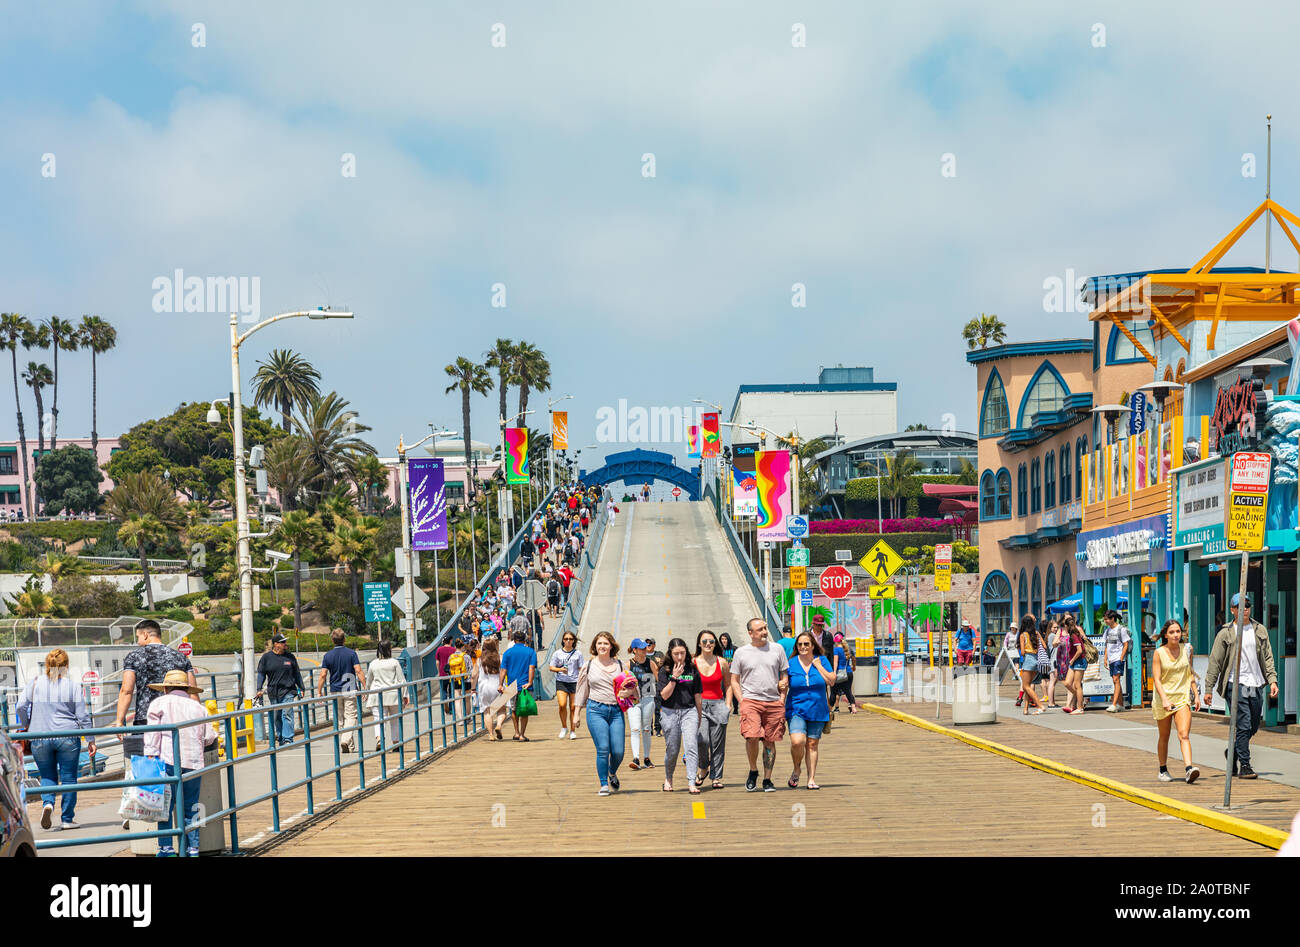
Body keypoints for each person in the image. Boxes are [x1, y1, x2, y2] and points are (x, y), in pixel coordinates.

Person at [1204, 592, 1279, 780]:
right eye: (1239, 606)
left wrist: (1273, 680)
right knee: (1244, 724)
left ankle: (1234, 752)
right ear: (1232, 610)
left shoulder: (1259, 630)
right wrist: (1208, 689)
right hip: (1234, 684)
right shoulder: (1225, 633)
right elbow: (1215, 662)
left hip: (1256, 684)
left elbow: (1268, 657)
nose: (1243, 609)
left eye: (1247, 605)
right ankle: (1245, 764)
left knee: (1253, 725)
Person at [17, 648, 92, 830]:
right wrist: (91, 739)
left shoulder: (35, 683)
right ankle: (67, 819)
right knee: (68, 778)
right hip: (67, 736)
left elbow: (20, 706)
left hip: (39, 736)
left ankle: (48, 804)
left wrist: (28, 725)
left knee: (47, 775)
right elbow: (82, 716)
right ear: (66, 666)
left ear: (47, 664)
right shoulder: (73, 686)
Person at [144, 670, 217, 856]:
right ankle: (192, 848)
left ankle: (166, 848)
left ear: (166, 687)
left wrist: (150, 755)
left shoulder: (158, 703)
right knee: (191, 806)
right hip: (193, 761)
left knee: (164, 806)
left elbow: (153, 735)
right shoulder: (198, 707)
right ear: (186, 688)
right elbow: (209, 737)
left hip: (167, 760)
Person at [114, 620, 198, 763]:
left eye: (138, 637)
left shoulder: (134, 657)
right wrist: (197, 719)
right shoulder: (180, 657)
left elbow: (126, 690)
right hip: (177, 717)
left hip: (145, 719)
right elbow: (193, 691)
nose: (138, 641)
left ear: (145, 635)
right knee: (176, 762)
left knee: (148, 766)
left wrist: (119, 720)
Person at [729, 617, 790, 793]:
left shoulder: (777, 649)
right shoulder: (741, 652)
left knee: (770, 741)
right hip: (751, 701)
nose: (764, 632)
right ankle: (753, 770)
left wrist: (782, 699)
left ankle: (767, 779)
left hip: (773, 702)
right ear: (750, 633)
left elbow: (784, 675)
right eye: (760, 629)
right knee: (752, 736)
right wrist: (742, 701)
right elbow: (734, 680)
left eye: (765, 628)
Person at [573, 631, 637, 795]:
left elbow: (633, 687)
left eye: (605, 643)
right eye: (599, 643)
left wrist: (628, 693)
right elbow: (581, 690)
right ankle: (603, 784)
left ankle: (611, 771)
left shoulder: (621, 665)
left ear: (611, 646)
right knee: (603, 748)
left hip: (616, 711)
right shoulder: (589, 666)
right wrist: (576, 713)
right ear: (595, 645)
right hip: (595, 710)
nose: (602, 646)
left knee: (618, 752)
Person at [1152, 619, 1201, 784]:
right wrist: (1165, 699)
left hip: (1182, 698)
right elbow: (1157, 680)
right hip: (1163, 699)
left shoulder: (1187, 649)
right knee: (1164, 736)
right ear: (1165, 635)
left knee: (1184, 735)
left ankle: (1189, 769)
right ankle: (1163, 769)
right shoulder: (1159, 653)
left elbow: (1190, 673)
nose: (1175, 635)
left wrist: (1196, 694)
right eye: (1172, 632)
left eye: (1178, 632)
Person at [786, 630, 836, 790]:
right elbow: (784, 682)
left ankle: (811, 779)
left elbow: (832, 681)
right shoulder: (791, 662)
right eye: (800, 644)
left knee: (812, 744)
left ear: (813, 645)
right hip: (796, 709)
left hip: (817, 708)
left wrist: (818, 666)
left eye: (806, 644)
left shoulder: (821, 660)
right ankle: (796, 768)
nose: (803, 647)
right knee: (797, 741)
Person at [657, 637, 704, 794]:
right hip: (670, 712)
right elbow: (664, 695)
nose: (679, 657)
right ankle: (668, 778)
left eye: (682, 653)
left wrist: (699, 715)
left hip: (689, 711)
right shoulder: (665, 670)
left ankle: (691, 782)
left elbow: (698, 695)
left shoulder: (692, 669)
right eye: (676, 653)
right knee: (673, 749)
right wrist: (675, 677)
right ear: (670, 653)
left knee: (691, 745)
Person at [693, 630, 731, 789]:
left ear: (715, 643)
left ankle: (716, 777)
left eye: (711, 641)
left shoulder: (722, 662)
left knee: (717, 743)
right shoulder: (693, 662)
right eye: (704, 641)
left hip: (718, 704)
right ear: (699, 644)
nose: (708, 644)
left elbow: (728, 685)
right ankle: (703, 768)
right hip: (699, 705)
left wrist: (728, 705)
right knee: (702, 740)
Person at [318, 630, 366, 753]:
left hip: (335, 690)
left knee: (340, 718)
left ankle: (349, 747)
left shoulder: (327, 656)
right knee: (351, 716)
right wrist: (365, 687)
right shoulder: (351, 653)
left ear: (332, 640)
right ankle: (345, 740)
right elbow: (358, 670)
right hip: (349, 688)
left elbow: (323, 674)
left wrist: (319, 691)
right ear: (344, 639)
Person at [255, 633, 305, 745]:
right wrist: (259, 688)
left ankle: (288, 738)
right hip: (273, 692)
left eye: (285, 642)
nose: (285, 644)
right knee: (277, 716)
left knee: (287, 714)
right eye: (282, 642)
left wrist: (301, 687)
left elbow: (297, 673)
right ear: (276, 644)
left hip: (288, 691)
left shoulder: (290, 657)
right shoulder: (266, 658)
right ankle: (281, 737)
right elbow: (261, 674)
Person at [365, 640, 409, 751]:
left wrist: (366, 692)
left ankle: (380, 739)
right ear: (389, 649)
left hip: (376, 695)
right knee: (395, 720)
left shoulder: (373, 663)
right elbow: (401, 680)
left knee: (379, 719)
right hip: (393, 695)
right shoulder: (394, 662)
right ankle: (396, 743)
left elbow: (369, 681)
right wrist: (405, 695)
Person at [624, 638, 658, 770]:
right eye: (642, 648)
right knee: (635, 728)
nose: (645, 650)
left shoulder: (651, 663)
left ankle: (647, 758)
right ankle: (636, 758)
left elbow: (658, 680)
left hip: (649, 699)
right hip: (633, 700)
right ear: (634, 650)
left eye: (646, 647)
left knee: (646, 729)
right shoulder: (628, 665)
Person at [500, 628, 538, 741]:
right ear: (524, 640)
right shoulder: (531, 652)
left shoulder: (507, 653)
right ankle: (522, 734)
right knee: (524, 709)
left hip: (512, 685)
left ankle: (516, 732)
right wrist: (530, 682)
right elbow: (532, 668)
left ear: (514, 640)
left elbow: (503, 670)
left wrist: (500, 684)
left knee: (514, 709)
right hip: (525, 685)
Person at [548, 631, 584, 740]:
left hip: (574, 682)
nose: (568, 641)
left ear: (574, 641)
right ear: (563, 640)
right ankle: (564, 727)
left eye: (570, 639)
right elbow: (551, 667)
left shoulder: (578, 654)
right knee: (562, 704)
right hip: (562, 681)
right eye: (566, 639)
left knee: (573, 707)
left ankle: (573, 730)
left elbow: (581, 668)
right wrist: (560, 669)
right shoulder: (557, 653)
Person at [1100, 610, 1132, 713]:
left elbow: (1126, 644)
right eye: (1105, 619)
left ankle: (1114, 705)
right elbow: (1106, 645)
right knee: (1116, 681)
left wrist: (1121, 657)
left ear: (1113, 618)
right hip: (1111, 659)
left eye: (1107, 619)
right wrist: (1105, 658)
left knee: (1116, 679)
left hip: (1118, 658)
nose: (1105, 621)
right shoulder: (1107, 631)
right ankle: (1121, 705)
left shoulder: (1121, 629)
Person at [474, 638, 506, 740]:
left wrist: (472, 688)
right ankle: (499, 725)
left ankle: (491, 734)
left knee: (487, 711)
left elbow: (474, 675)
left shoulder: (480, 660)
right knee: (501, 710)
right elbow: (505, 671)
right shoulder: (500, 658)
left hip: (485, 688)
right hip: (498, 686)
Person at [1017, 616, 1046, 714]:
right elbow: (1044, 646)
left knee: (1026, 686)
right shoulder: (1036, 633)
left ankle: (1040, 705)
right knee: (1027, 686)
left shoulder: (1023, 635)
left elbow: (1022, 652)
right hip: (1036, 660)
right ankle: (1026, 709)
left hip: (1028, 660)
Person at [827, 633, 858, 713]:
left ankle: (830, 708)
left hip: (839, 674)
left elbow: (835, 662)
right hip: (849, 673)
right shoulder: (847, 649)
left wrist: (834, 672)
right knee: (848, 691)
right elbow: (853, 659)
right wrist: (854, 667)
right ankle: (853, 708)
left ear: (836, 642)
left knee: (833, 691)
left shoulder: (836, 650)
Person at [646, 637, 665, 736]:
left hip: (657, 684)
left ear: (654, 645)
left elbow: (662, 666)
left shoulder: (659, 654)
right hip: (646, 685)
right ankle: (649, 728)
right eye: (647, 643)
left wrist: (659, 663)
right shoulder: (643, 654)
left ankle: (658, 729)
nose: (648, 645)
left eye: (650, 643)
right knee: (648, 708)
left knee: (658, 708)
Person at [718, 632, 739, 714]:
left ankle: (736, 709)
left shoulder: (734, 649)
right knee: (723, 690)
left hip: (733, 673)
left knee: (734, 690)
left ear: (728, 639)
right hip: (723, 674)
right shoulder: (719, 649)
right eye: (722, 639)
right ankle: (723, 708)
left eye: (725, 639)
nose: (724, 641)